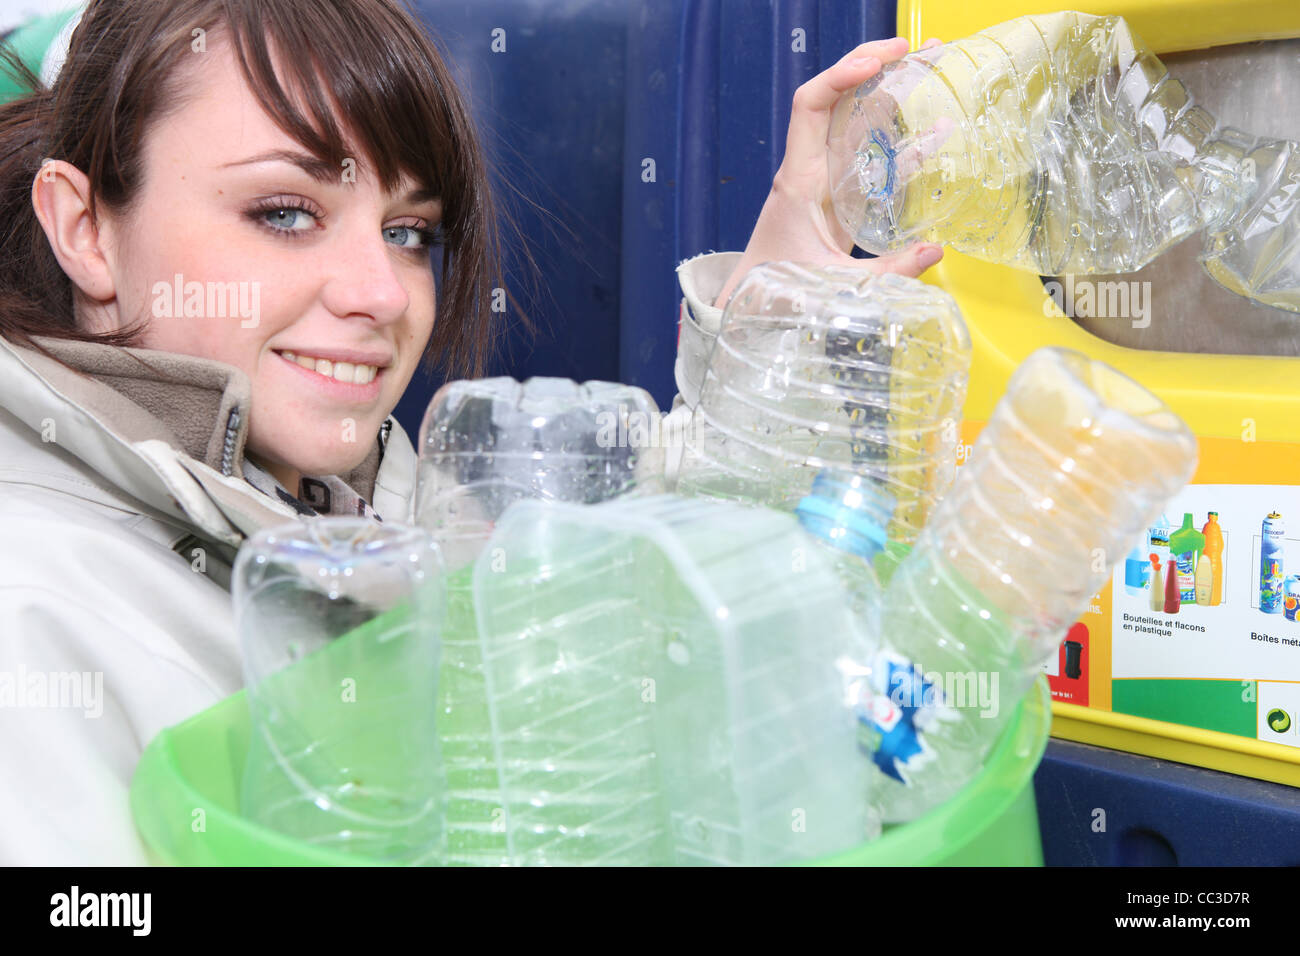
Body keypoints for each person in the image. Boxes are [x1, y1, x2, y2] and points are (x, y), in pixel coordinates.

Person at [0, 0, 941, 864]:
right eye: (285, 214)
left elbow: (668, 560)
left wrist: (777, 305)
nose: (379, 293)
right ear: (84, 228)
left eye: (410, 232)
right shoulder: (31, 612)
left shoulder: (362, 490)